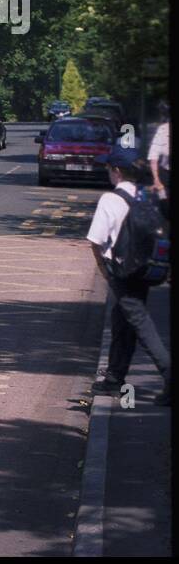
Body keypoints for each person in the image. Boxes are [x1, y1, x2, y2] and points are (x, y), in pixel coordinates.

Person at [87, 147, 171, 406]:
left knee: (140, 323)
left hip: (122, 271)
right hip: (144, 269)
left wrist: (105, 274)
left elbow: (95, 242)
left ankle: (169, 373)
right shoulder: (144, 196)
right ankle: (114, 378)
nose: (107, 172)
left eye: (109, 168)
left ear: (117, 171)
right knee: (123, 322)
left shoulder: (109, 200)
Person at [148, 102, 169, 211]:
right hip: (165, 174)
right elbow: (153, 156)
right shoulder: (163, 129)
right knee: (163, 203)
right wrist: (156, 179)